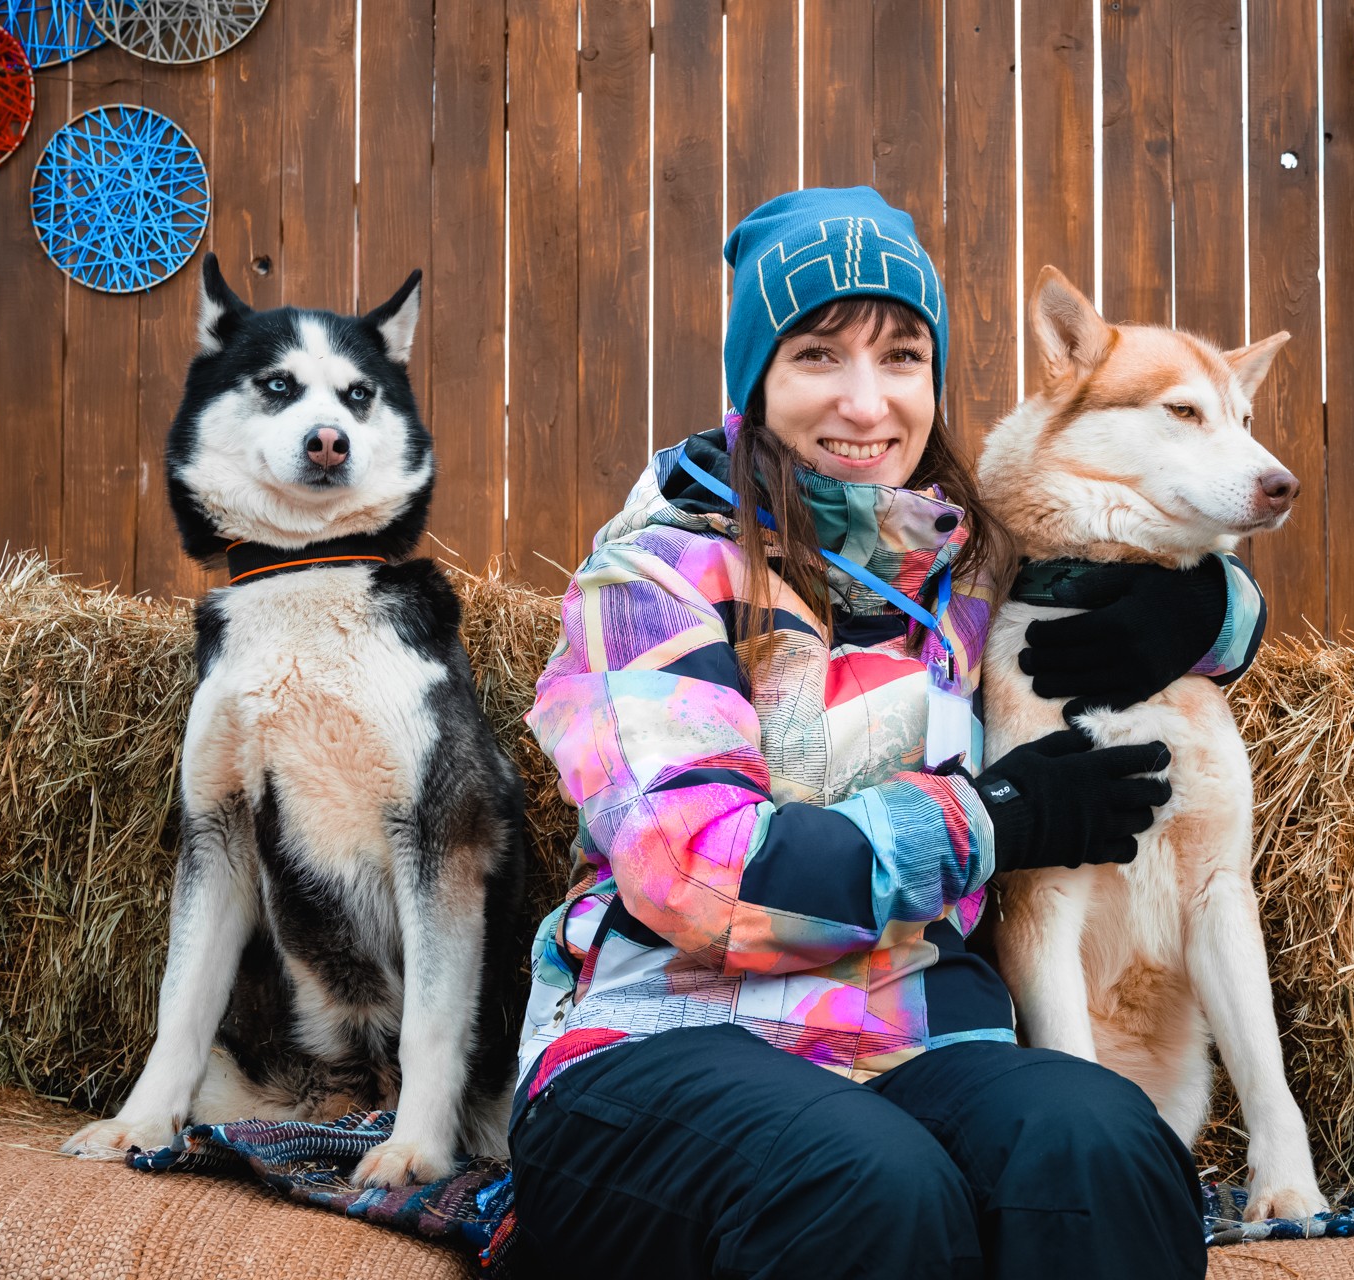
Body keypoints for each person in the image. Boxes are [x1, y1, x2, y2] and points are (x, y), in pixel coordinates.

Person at [508, 187, 1266, 1280]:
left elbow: (1119, 529)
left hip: (916, 1040)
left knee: (1103, 1144)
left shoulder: (967, 566)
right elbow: (695, 877)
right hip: (662, 1040)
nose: (867, 403)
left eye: (902, 356)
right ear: (758, 380)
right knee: (874, 1183)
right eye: (819, 354)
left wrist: (1212, 609)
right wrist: (990, 820)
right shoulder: (654, 577)